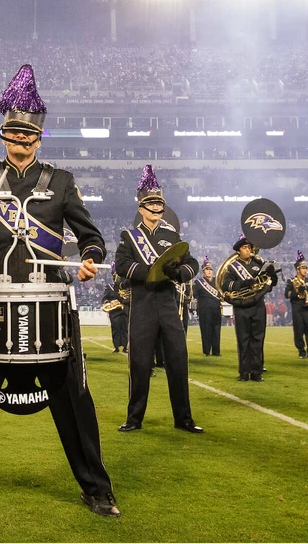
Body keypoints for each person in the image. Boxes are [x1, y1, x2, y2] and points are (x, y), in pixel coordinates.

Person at [0, 64, 118, 519]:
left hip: (50, 305)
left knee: (74, 400)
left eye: (28, 136)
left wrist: (90, 258)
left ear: (39, 139)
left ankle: (95, 488)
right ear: (2, 135)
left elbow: (91, 237)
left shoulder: (62, 182)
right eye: (13, 135)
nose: (20, 142)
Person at [115, 165, 203, 429]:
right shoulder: (129, 237)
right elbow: (122, 266)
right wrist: (153, 272)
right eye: (150, 204)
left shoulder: (172, 236)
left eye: (159, 204)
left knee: (178, 361)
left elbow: (192, 264)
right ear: (141, 208)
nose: (156, 208)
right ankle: (134, 419)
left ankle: (183, 420)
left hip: (168, 306)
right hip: (141, 306)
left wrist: (178, 274)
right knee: (139, 364)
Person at [220, 235, 278, 382]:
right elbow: (227, 285)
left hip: (258, 305)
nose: (248, 250)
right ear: (238, 251)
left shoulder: (259, 264)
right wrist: (247, 283)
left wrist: (272, 275)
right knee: (243, 340)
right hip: (242, 307)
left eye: (249, 247)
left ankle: (257, 372)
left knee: (258, 340)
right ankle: (244, 373)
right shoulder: (232, 268)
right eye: (245, 248)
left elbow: (270, 284)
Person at [284, 251, 308, 360]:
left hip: (307, 308)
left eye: (306, 268)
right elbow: (287, 294)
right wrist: (297, 290)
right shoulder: (291, 281)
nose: (305, 270)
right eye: (303, 268)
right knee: (299, 330)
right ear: (298, 269)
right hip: (297, 308)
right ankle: (301, 351)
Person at [194, 259, 223, 357]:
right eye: (207, 269)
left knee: (216, 330)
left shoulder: (217, 281)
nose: (209, 271)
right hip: (204, 310)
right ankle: (206, 351)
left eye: (210, 269)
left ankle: (216, 351)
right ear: (203, 272)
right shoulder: (198, 282)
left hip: (216, 309)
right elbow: (194, 295)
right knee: (206, 330)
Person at [102, 271, 130, 353]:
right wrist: (109, 303)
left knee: (125, 329)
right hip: (114, 311)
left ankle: (125, 346)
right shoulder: (109, 287)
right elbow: (104, 298)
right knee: (115, 328)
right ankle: (116, 346)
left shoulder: (125, 286)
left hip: (125, 309)